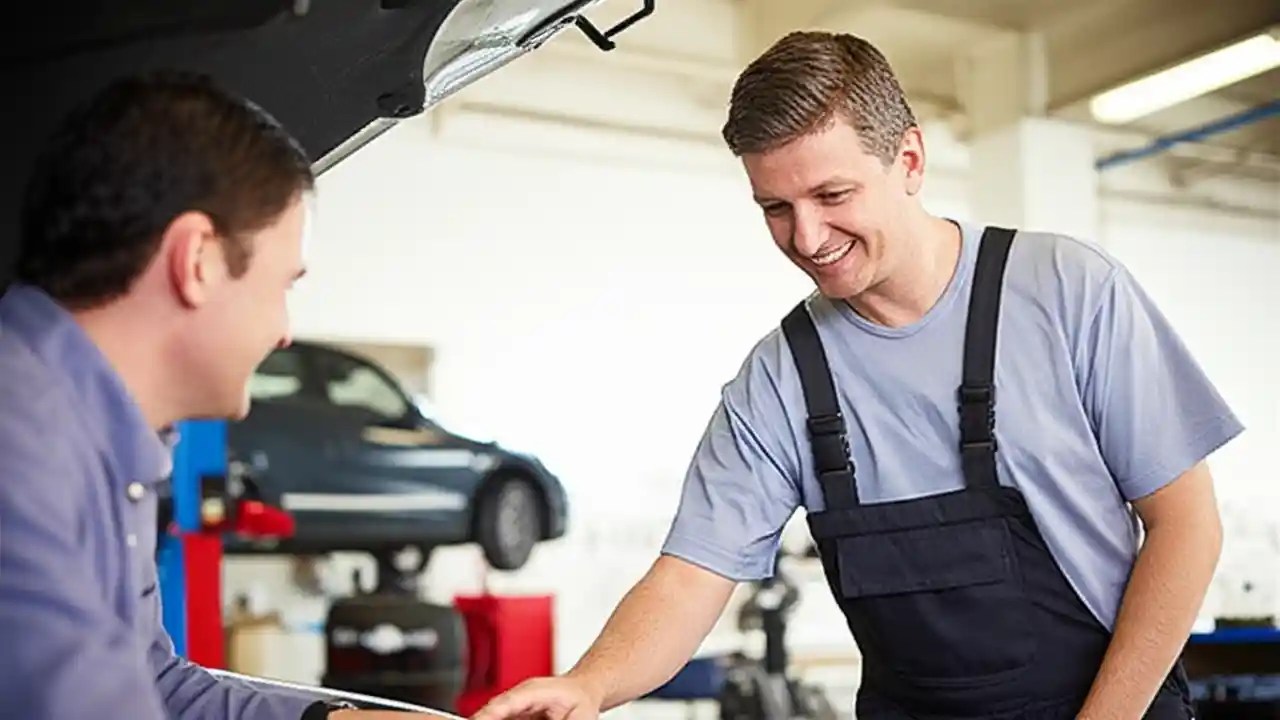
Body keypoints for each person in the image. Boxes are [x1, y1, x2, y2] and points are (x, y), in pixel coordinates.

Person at [472, 30, 1243, 720]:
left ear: (908, 160)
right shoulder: (779, 379)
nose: (806, 237)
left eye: (832, 195)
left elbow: (1185, 524)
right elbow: (689, 576)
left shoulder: (1066, 289)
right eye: (775, 207)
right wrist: (590, 684)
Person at [0, 72, 444, 720]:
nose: (285, 330)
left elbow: (155, 686)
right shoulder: (21, 448)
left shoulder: (95, 437)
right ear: (198, 260)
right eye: (283, 284)